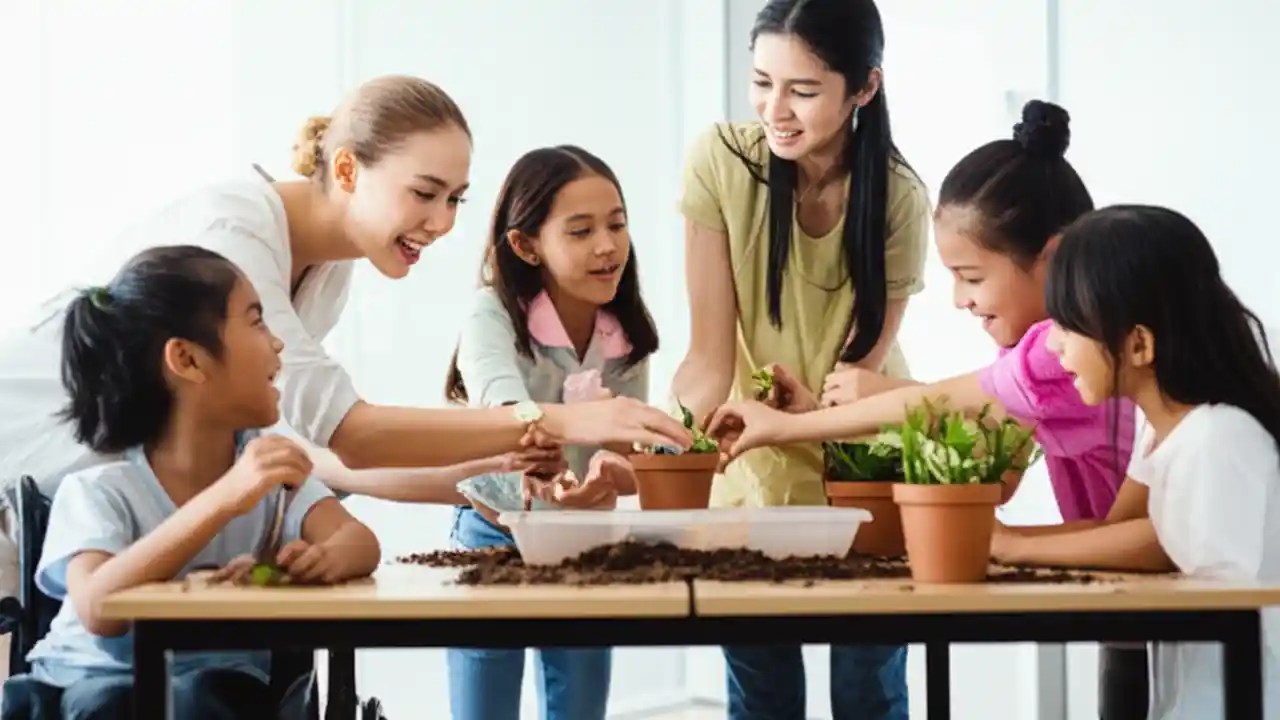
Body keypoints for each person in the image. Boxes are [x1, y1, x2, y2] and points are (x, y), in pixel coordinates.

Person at [0, 74, 689, 594]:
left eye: (456, 198)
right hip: (27, 473)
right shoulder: (233, 237)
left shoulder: (328, 271)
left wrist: (486, 478)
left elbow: (318, 451)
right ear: (348, 170)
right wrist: (561, 419)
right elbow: (350, 433)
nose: (444, 222)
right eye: (424, 193)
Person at [706, 100, 1148, 717]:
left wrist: (796, 423)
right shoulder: (1052, 351)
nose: (959, 300)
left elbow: (943, 410)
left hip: (1145, 584)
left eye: (970, 276)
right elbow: (991, 463)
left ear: (1049, 256)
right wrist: (825, 416)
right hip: (1126, 591)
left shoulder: (1062, 349)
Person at [670, 0, 930, 715]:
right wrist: (669, 447)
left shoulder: (900, 200)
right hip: (750, 459)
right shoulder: (721, 162)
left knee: (868, 691)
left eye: (803, 90)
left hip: (860, 461)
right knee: (761, 692)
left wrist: (808, 415)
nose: (774, 110)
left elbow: (860, 378)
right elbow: (707, 355)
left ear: (864, 89)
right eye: (761, 82)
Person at [19, 245, 381, 717]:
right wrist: (226, 499)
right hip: (86, 686)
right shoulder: (101, 489)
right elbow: (98, 608)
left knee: (203, 700)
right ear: (187, 360)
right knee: (106, 705)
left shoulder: (272, 475)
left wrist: (321, 560)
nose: (277, 343)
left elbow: (360, 541)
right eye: (256, 321)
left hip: (220, 690)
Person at [991, 205, 1280, 719]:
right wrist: (1001, 544)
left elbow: (1161, 546)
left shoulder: (1219, 436)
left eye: (1068, 326)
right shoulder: (1166, 428)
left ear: (1139, 344)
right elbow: (1120, 530)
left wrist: (1010, 546)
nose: (1053, 344)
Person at [441, 145, 652, 720]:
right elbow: (499, 406)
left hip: (583, 540)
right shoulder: (493, 313)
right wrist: (548, 454)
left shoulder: (624, 331)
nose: (607, 246)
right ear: (526, 244)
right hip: (493, 534)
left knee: (580, 707)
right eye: (580, 231)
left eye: (617, 224)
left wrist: (611, 477)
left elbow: (629, 454)